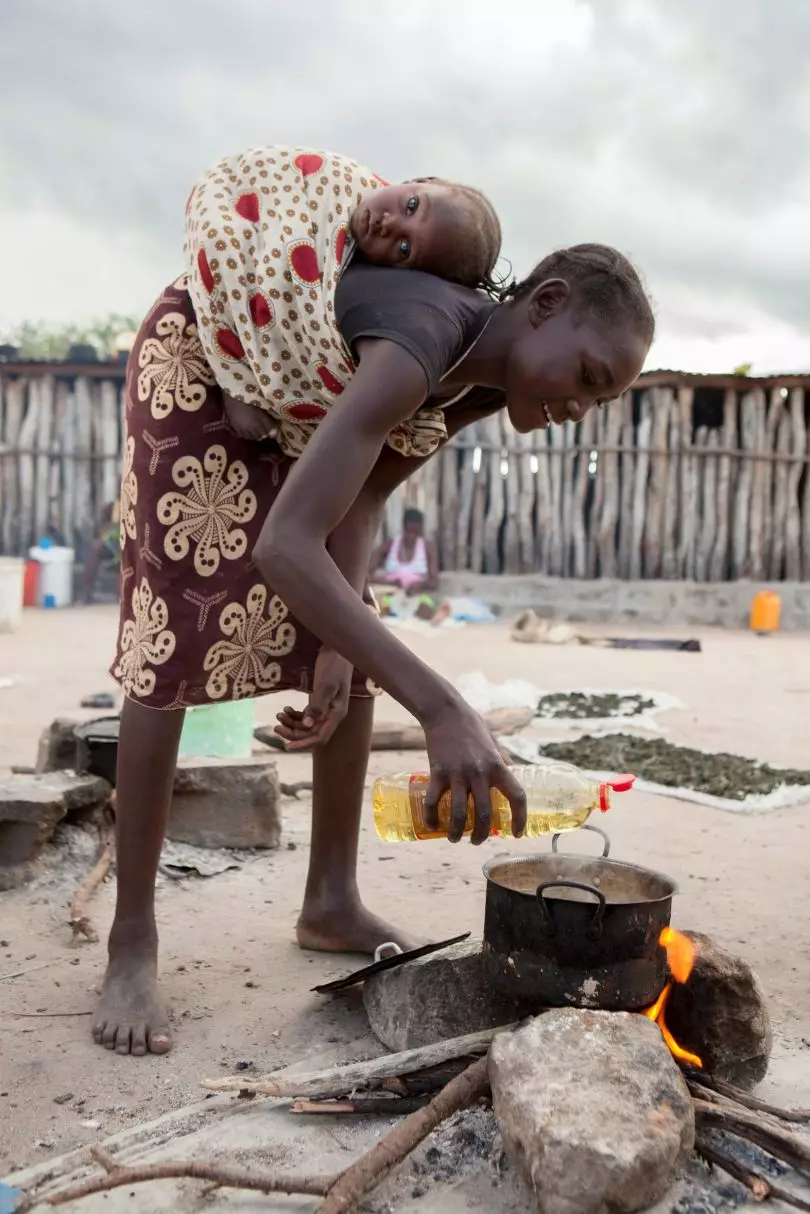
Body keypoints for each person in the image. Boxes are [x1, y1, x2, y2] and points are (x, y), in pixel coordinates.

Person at [97, 234, 654, 1056]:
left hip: (304, 407)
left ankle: (330, 900)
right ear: (544, 306)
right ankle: (132, 937)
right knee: (177, 624)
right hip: (204, 362)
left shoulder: (480, 383)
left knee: (352, 642)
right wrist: (440, 706)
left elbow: (362, 493)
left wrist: (337, 640)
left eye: (600, 402)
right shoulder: (418, 343)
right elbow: (283, 546)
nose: (579, 409)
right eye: (589, 378)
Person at [183, 146, 502, 442]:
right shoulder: (341, 181)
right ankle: (234, 378)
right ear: (422, 181)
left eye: (404, 248)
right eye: (412, 205)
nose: (388, 223)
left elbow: (302, 315)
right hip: (229, 193)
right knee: (221, 247)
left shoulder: (367, 290)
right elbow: (279, 172)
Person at [371, 508, 439, 595]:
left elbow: (434, 582)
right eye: (409, 531)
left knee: (424, 608)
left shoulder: (428, 547)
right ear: (403, 528)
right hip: (391, 594)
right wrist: (390, 582)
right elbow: (366, 575)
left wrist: (420, 584)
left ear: (421, 530)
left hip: (417, 595)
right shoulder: (389, 545)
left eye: (416, 532)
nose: (412, 536)